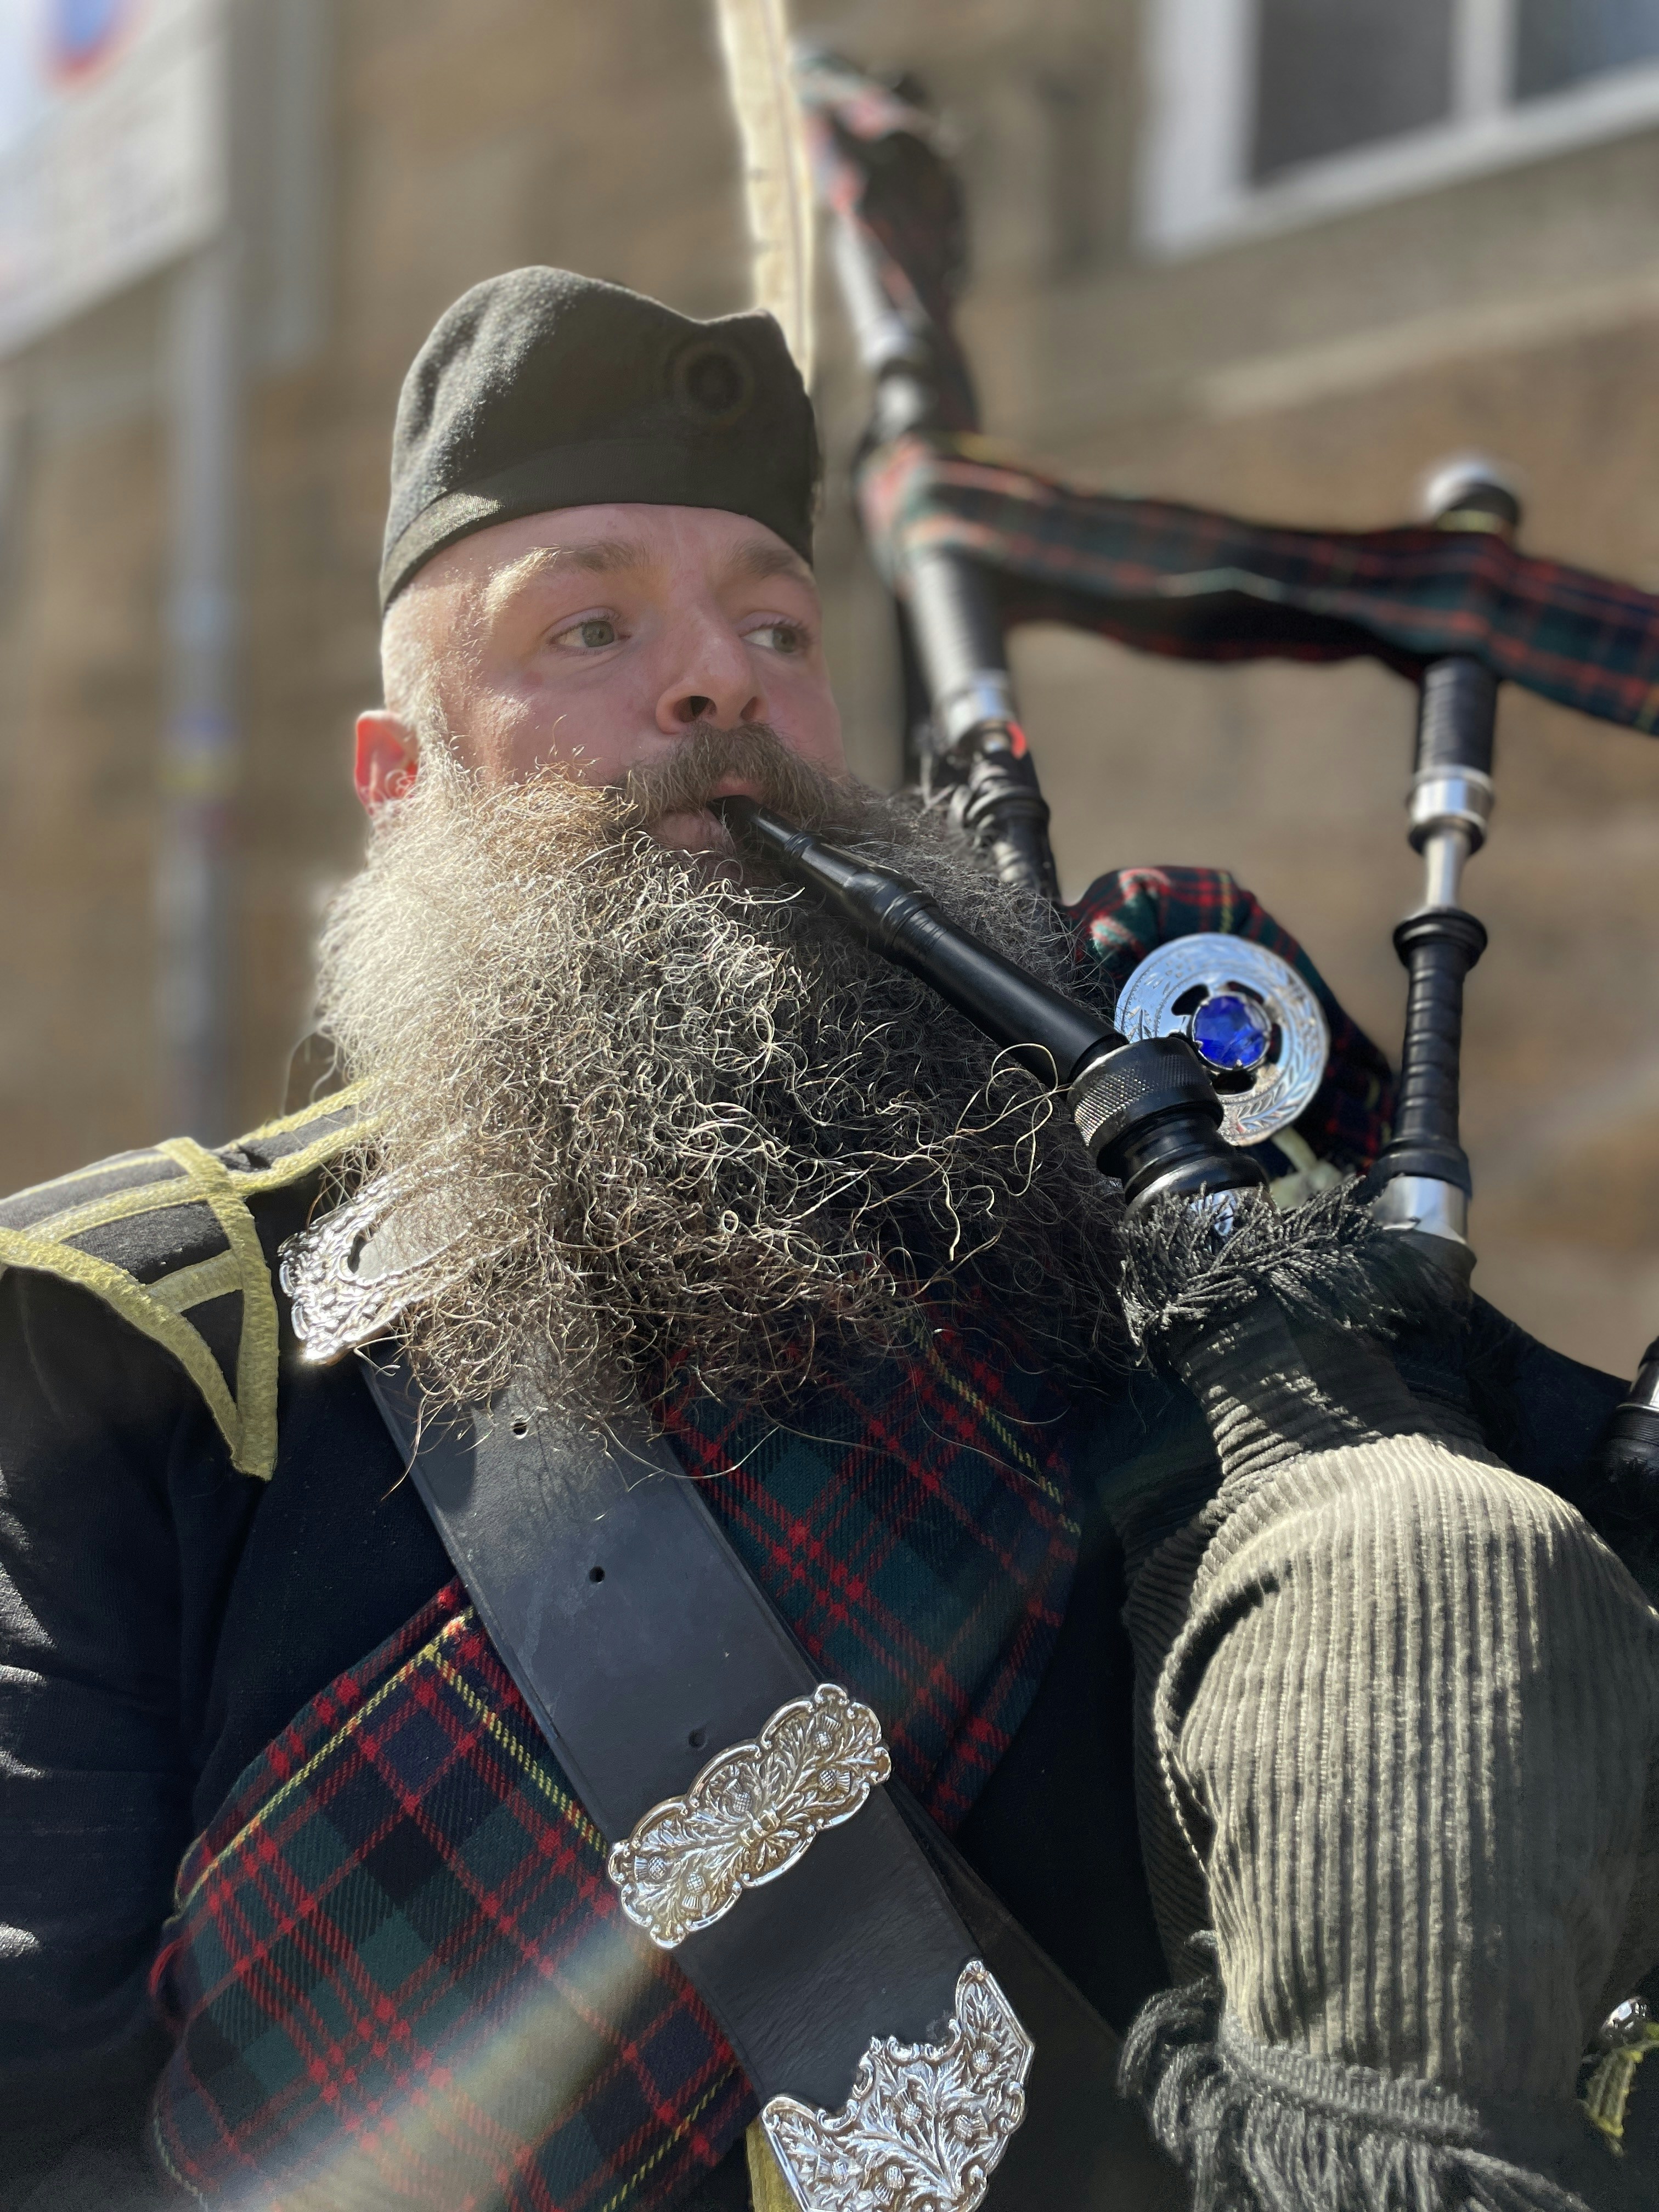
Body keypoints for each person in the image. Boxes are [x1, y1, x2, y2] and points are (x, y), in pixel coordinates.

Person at [0, 267, 1654, 2212]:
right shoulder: (162, 1340)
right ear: (398, 786)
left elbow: (1539, 1618)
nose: (720, 685)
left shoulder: (1093, 1191)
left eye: (775, 627)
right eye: (594, 626)